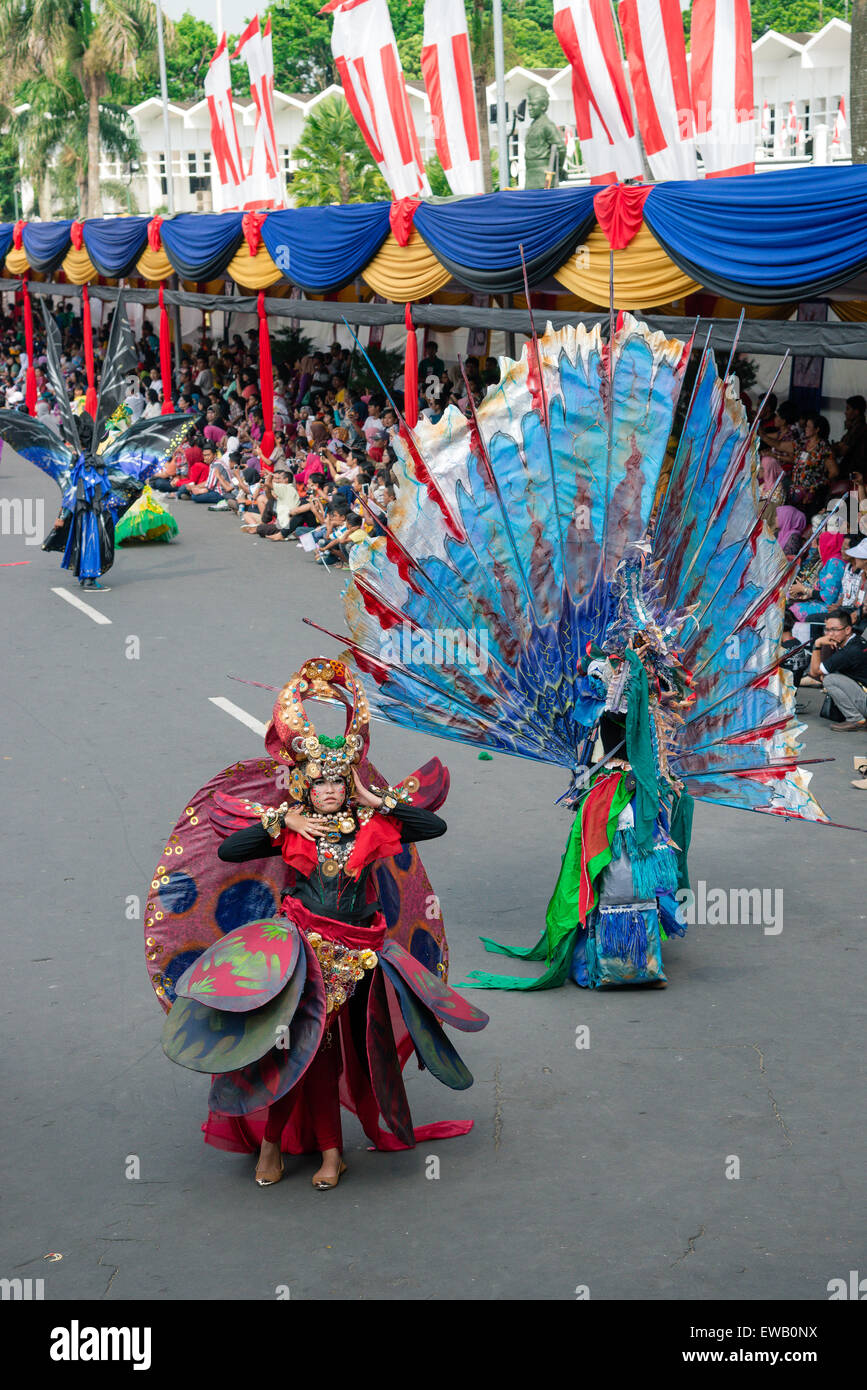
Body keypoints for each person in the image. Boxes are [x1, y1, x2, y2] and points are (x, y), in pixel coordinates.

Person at [153, 658, 488, 1188]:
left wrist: (378, 799)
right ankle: (274, 1144)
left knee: (325, 1054)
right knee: (290, 1048)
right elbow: (231, 846)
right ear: (307, 787)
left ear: (348, 785)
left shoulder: (372, 827)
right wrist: (281, 818)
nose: (331, 790)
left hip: (356, 958)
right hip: (301, 954)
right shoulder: (297, 828)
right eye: (322, 782)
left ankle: (330, 1153)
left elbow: (434, 825)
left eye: (339, 782)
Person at [808, 605, 867, 732]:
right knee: (829, 675)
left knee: (830, 679)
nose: (829, 634)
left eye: (834, 629)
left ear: (847, 630)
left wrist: (817, 644)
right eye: (827, 629)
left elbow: (814, 672)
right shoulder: (855, 641)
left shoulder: (850, 651)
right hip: (862, 691)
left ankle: (856, 719)